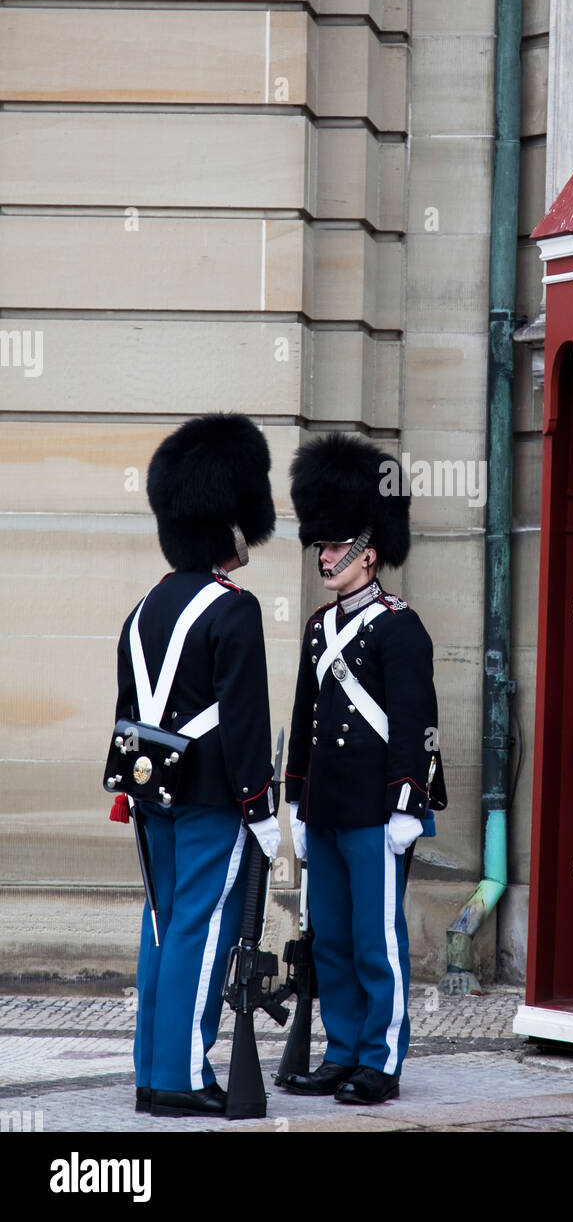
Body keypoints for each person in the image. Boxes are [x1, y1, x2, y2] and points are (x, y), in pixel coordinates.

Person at [110, 413, 280, 1118]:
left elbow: (129, 708)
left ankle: (152, 1072)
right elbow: (245, 724)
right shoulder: (232, 610)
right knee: (200, 928)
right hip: (213, 795)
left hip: (151, 792)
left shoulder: (141, 609)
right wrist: (261, 808)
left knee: (161, 922)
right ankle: (181, 1078)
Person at [281, 432, 445, 1105]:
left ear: (368, 552)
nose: (324, 555)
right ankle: (342, 1049)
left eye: (335, 545)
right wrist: (295, 800)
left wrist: (409, 804)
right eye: (321, 545)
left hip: (376, 813)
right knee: (333, 940)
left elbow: (418, 723)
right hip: (326, 809)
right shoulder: (320, 627)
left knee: (378, 944)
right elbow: (304, 715)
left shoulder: (400, 627)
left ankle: (381, 1058)